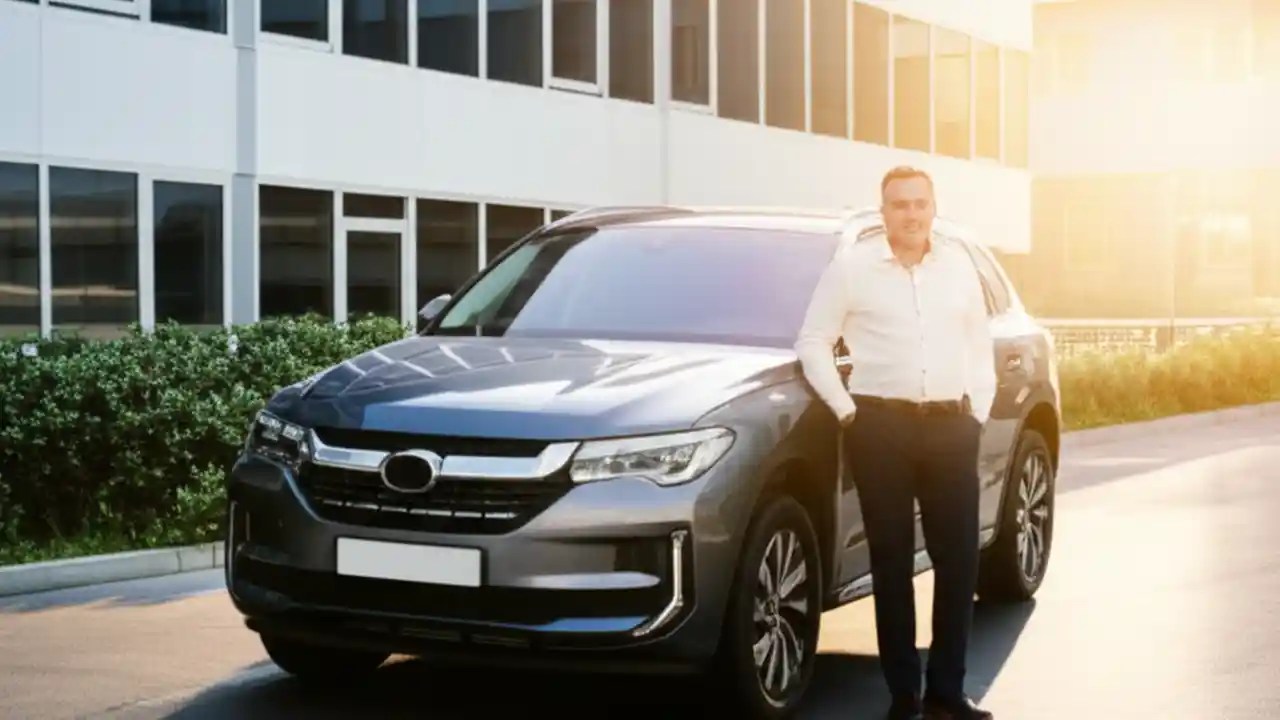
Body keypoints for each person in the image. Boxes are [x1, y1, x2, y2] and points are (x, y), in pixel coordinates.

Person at [794, 166, 997, 720]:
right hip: (880, 428)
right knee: (891, 563)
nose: (911, 214)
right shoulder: (853, 267)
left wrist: (975, 413)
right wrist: (848, 411)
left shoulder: (958, 267)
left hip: (951, 426)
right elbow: (813, 341)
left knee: (958, 562)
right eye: (900, 204)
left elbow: (979, 346)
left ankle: (947, 695)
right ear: (882, 212)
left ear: (934, 208)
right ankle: (904, 693)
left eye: (920, 204)